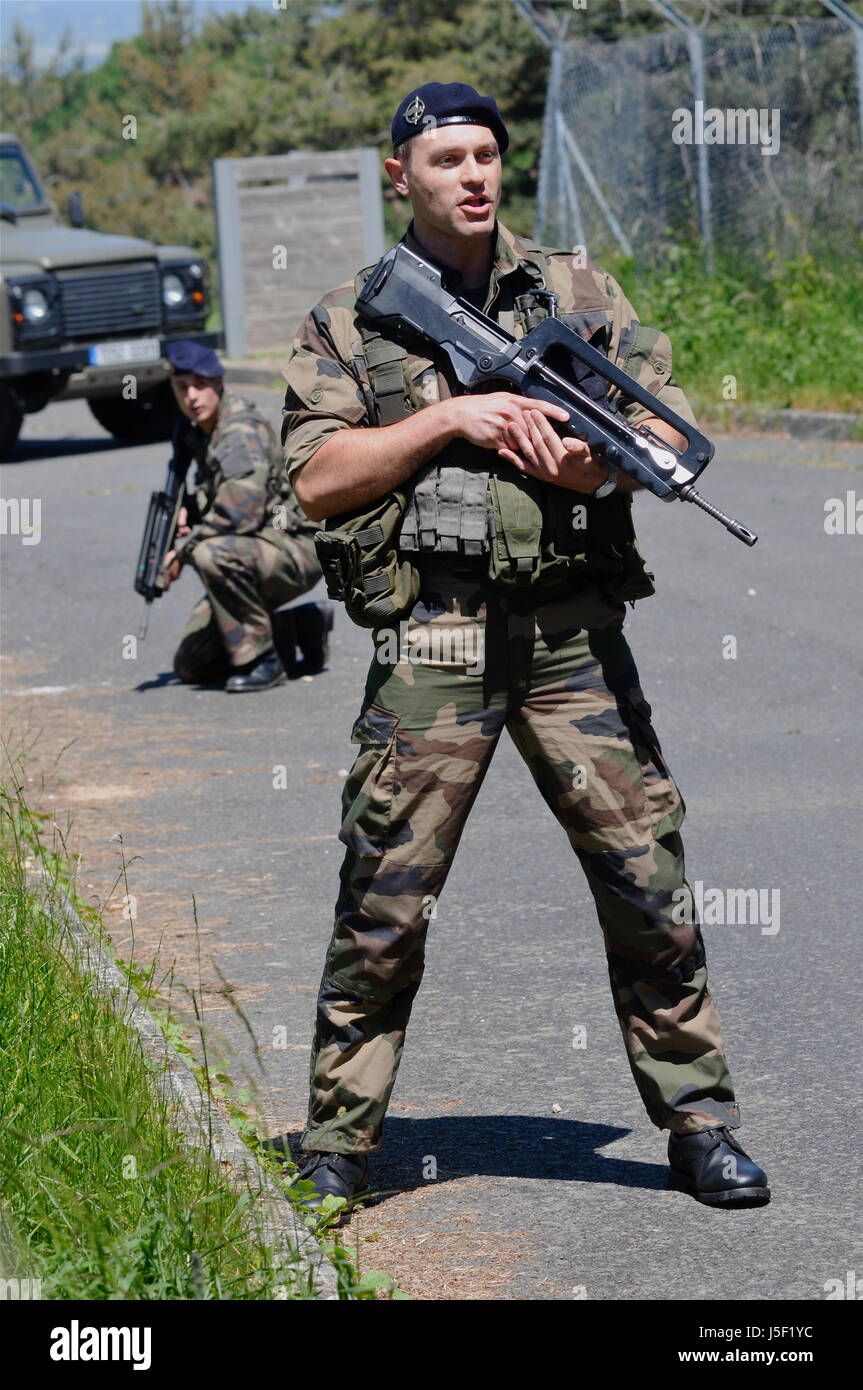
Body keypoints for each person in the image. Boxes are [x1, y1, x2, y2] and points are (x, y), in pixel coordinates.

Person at [281, 83, 769, 1210]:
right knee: (388, 895)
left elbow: (666, 422)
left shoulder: (576, 290)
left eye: (487, 155)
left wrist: (594, 462)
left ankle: (698, 1120)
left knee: (646, 876)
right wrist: (448, 418)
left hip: (568, 635)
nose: (473, 175)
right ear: (398, 173)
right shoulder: (350, 319)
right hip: (437, 636)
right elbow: (313, 480)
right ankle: (340, 1140)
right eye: (446, 157)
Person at [160, 340, 332, 691]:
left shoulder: (238, 431)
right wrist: (189, 509)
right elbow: (223, 494)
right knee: (192, 663)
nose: (191, 396)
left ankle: (263, 662)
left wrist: (181, 550)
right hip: (258, 544)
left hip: (295, 544)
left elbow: (240, 511)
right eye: (182, 387)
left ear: (218, 383)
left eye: (200, 385)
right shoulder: (204, 431)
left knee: (209, 554)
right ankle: (299, 625)